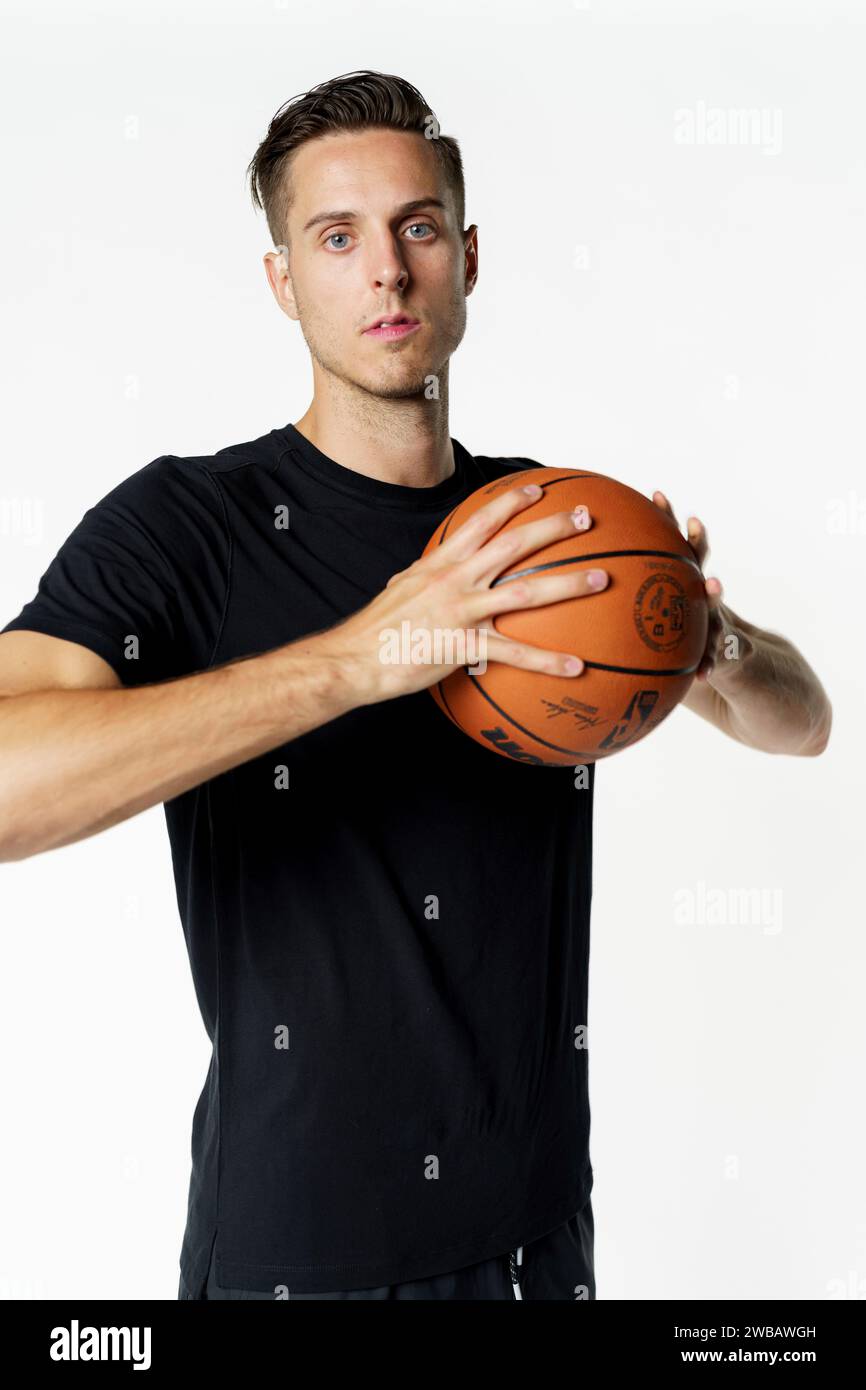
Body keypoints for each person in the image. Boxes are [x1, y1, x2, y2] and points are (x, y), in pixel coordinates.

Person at [0, 70, 831, 1301]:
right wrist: (360, 658)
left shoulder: (546, 528)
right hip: (299, 1259)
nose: (385, 271)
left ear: (467, 257)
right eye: (335, 237)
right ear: (283, 280)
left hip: (538, 1244)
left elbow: (800, 723)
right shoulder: (189, 523)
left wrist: (701, 636)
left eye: (417, 227)